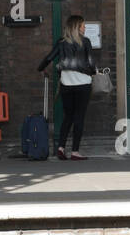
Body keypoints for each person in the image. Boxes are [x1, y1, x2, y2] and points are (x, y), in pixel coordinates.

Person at [37, 14, 96, 160]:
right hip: (83, 85)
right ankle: (75, 152)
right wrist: (94, 71)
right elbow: (91, 63)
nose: (85, 27)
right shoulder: (86, 42)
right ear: (77, 26)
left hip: (67, 85)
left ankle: (61, 148)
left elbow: (49, 58)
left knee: (68, 117)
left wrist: (41, 69)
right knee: (79, 117)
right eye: (83, 25)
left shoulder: (61, 42)